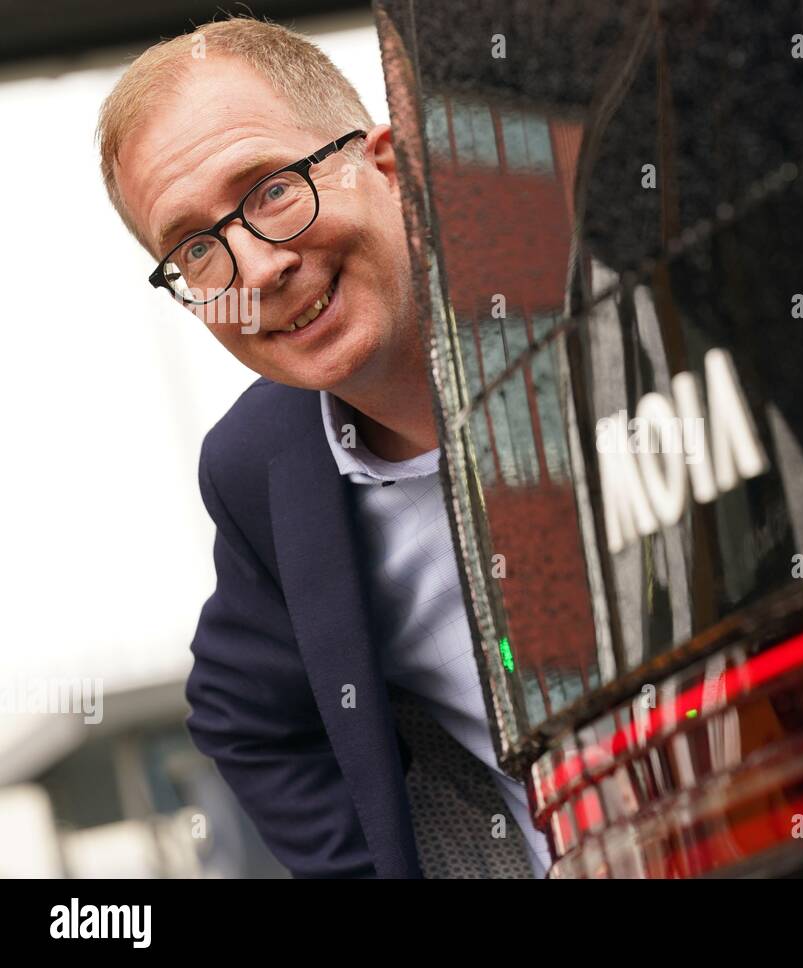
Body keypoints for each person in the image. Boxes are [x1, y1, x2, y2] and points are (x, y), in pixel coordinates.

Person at [96, 16, 552, 878]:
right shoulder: (264, 469)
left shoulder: (585, 292)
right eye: (196, 249)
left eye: (271, 188)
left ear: (387, 163)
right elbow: (245, 720)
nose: (257, 271)